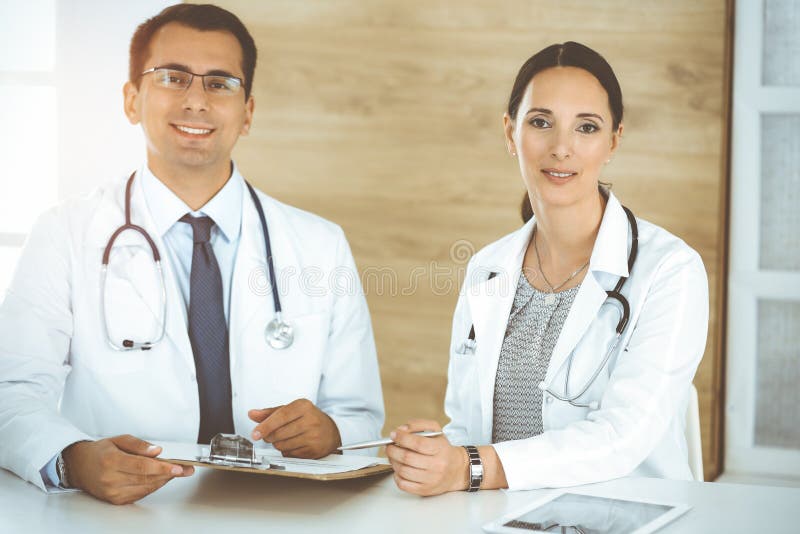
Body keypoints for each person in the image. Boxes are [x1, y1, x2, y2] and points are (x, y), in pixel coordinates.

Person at [0, 4, 383, 505]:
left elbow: (360, 418)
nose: (196, 101)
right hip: (122, 517)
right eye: (173, 78)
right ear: (131, 100)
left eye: (220, 83)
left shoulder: (320, 245)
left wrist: (331, 432)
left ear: (247, 113)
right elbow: (11, 394)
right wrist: (73, 459)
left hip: (276, 513)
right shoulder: (65, 233)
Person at [386, 41, 708, 495]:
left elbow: (623, 437)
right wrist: (432, 457)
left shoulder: (671, 271)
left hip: (622, 515)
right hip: (500, 518)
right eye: (541, 122)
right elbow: (467, 431)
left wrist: (469, 467)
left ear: (613, 141)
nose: (561, 148)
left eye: (586, 127)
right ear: (509, 132)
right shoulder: (487, 269)